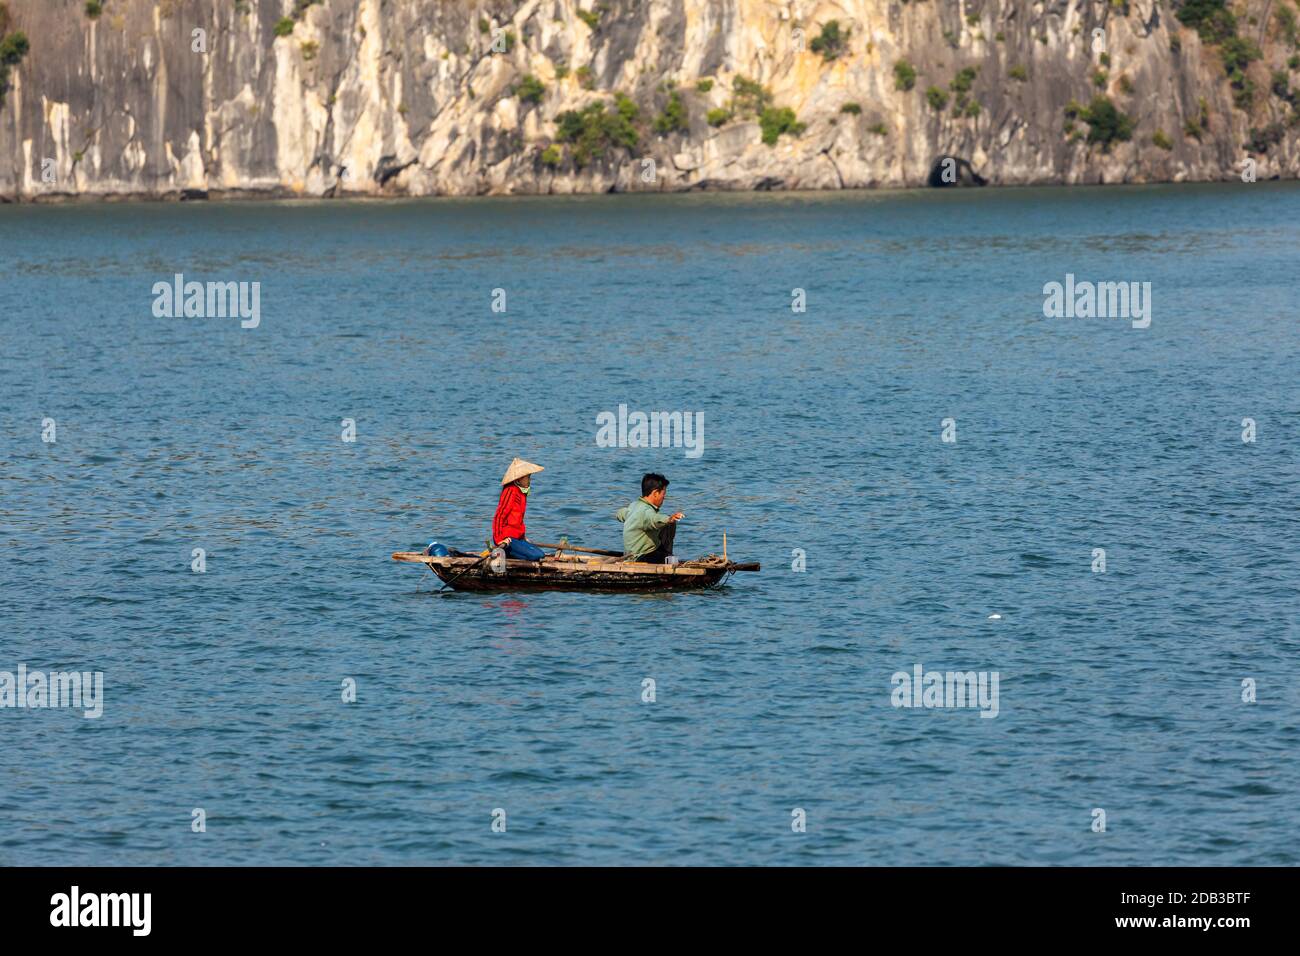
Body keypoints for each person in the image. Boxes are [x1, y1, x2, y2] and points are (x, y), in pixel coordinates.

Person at [615, 472, 684, 563]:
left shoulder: (633, 506)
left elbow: (620, 513)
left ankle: (666, 554)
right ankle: (667, 556)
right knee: (669, 524)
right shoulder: (646, 512)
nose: (664, 498)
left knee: (665, 524)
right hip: (642, 557)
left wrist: (623, 514)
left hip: (631, 555)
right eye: (663, 494)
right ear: (655, 493)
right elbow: (654, 519)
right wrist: (669, 519)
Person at [492, 458, 547, 561]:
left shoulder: (522, 492)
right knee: (534, 556)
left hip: (517, 537)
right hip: (507, 538)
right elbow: (499, 515)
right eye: (527, 477)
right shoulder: (510, 491)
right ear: (519, 479)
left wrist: (523, 537)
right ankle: (506, 551)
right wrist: (499, 539)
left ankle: (510, 553)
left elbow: (518, 519)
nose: (529, 480)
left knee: (541, 554)